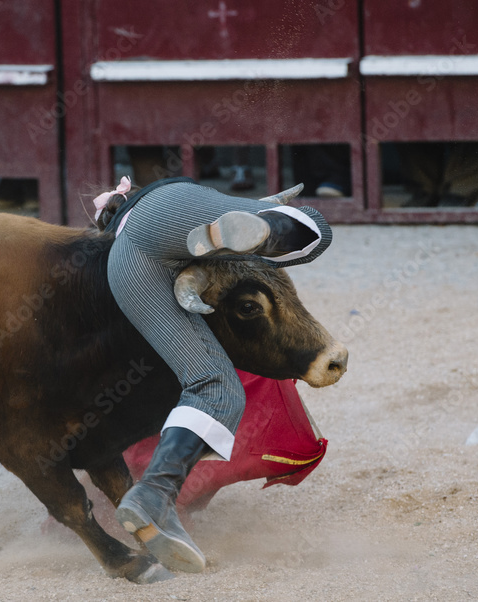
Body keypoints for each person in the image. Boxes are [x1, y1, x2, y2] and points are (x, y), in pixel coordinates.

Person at [92, 176, 331, 573]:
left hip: (126, 257)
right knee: (317, 229)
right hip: (179, 203)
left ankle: (155, 493)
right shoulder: (179, 201)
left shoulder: (112, 252)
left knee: (207, 384)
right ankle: (270, 229)